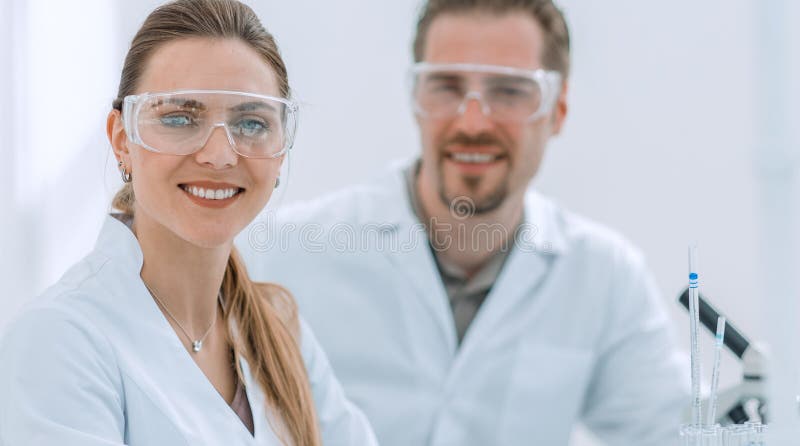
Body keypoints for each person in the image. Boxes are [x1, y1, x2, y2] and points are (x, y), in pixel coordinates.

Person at [239, 0, 689, 444]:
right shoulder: (288, 252)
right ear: (416, 97)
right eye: (447, 87)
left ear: (559, 109)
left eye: (509, 91)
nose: (472, 121)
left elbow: (673, 432)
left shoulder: (603, 276)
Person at [0, 1, 378, 445]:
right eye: (179, 118)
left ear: (281, 151)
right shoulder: (60, 340)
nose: (219, 155)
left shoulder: (279, 329)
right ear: (122, 140)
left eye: (251, 122)